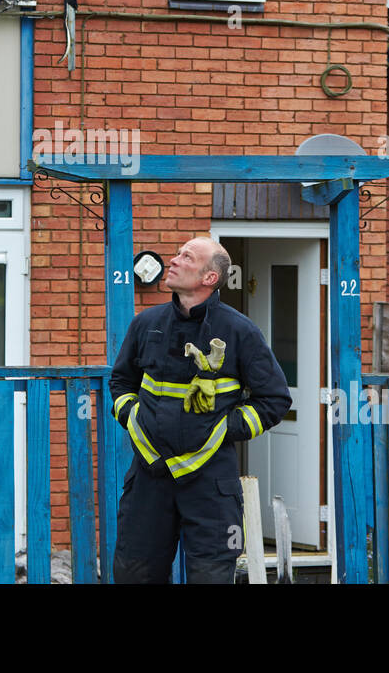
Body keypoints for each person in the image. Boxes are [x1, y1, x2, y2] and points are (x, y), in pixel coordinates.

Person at [109, 236, 291, 584]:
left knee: (211, 576)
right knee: (134, 575)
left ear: (209, 278)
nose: (174, 260)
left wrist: (223, 428)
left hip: (211, 483)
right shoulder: (145, 324)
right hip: (149, 477)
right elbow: (121, 382)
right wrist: (133, 417)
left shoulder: (240, 331)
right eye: (178, 254)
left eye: (187, 257)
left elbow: (274, 400)